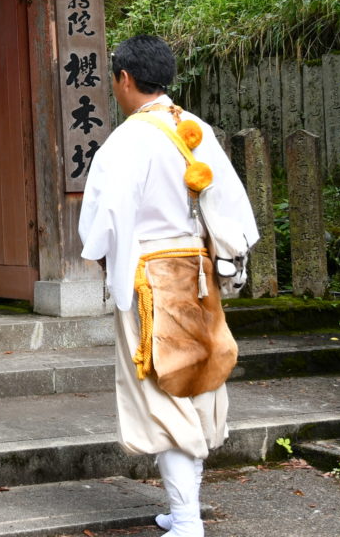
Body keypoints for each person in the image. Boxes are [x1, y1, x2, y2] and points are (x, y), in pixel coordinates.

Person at [77, 35, 259, 537]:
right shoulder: (194, 127)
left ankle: (185, 521)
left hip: (151, 276)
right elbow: (234, 208)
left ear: (125, 79)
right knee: (196, 383)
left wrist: (98, 260)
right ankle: (186, 512)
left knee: (164, 396)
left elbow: (105, 219)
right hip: (199, 271)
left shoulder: (129, 139)